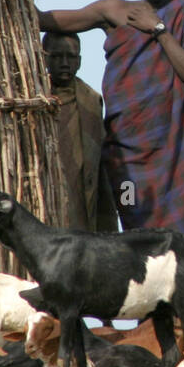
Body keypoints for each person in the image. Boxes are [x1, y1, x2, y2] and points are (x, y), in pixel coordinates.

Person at [37, 0, 184, 239]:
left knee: (175, 239)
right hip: (126, 149)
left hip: (173, 151)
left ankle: (178, 286)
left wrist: (158, 30)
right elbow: (45, 20)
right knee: (135, 228)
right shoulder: (114, 11)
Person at [42, 30, 119, 232]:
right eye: (57, 57)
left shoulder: (91, 100)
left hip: (82, 192)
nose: (65, 63)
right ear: (44, 57)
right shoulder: (34, 99)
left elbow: (99, 160)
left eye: (71, 57)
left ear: (80, 61)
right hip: (43, 189)